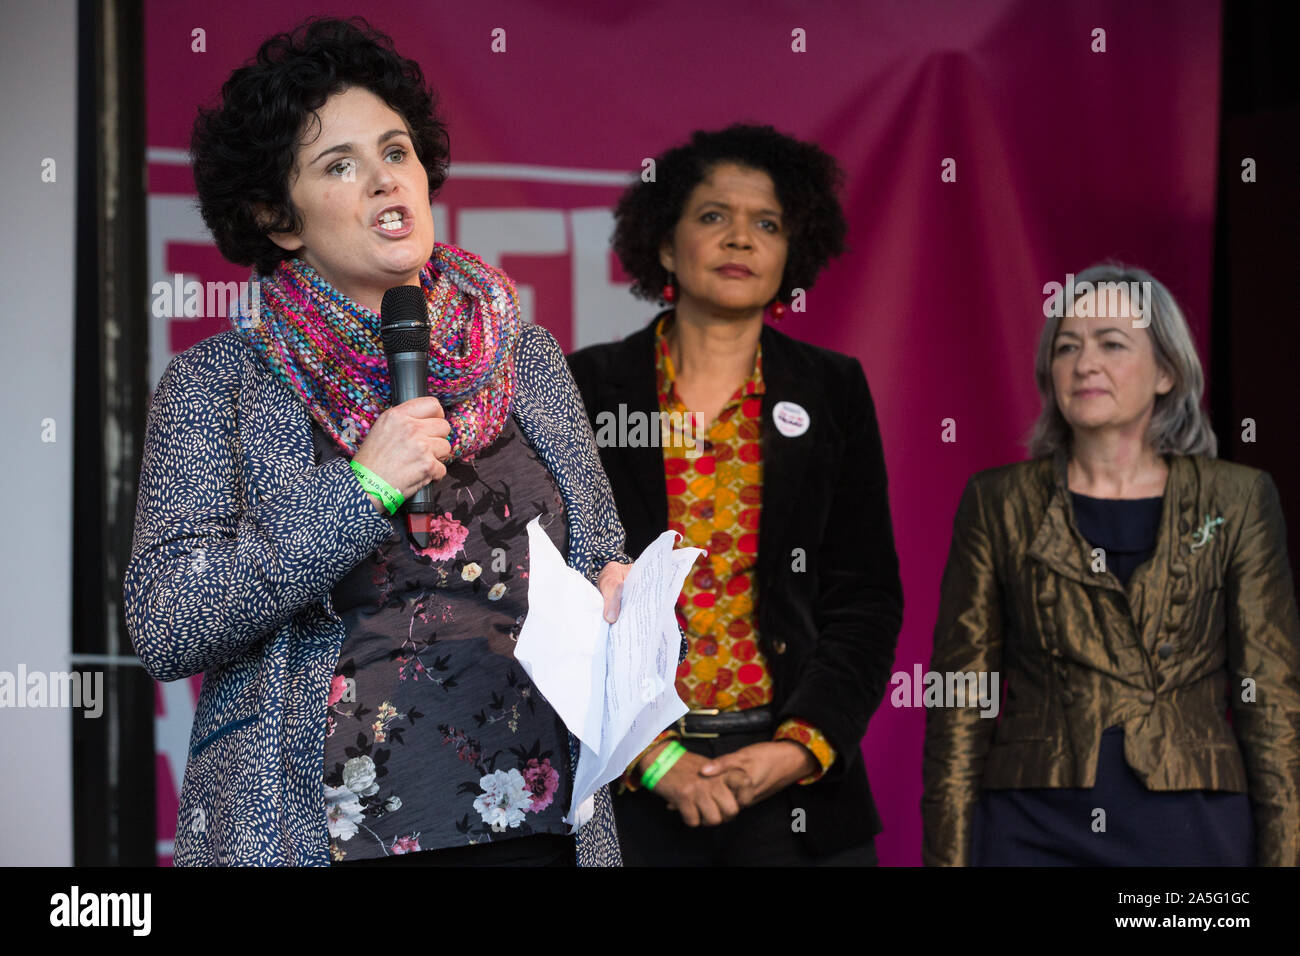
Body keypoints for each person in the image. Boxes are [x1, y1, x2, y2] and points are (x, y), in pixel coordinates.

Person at [122, 16, 632, 867]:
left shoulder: (522, 354)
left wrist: (617, 590)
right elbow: (169, 623)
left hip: (542, 826)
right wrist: (360, 489)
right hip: (324, 838)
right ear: (277, 218)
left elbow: (600, 551)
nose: (385, 180)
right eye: (340, 165)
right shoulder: (218, 384)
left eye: (396, 152)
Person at [566, 124, 903, 865]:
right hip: (629, 785)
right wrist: (651, 757)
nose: (741, 238)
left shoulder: (833, 390)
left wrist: (798, 748)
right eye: (714, 215)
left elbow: (865, 597)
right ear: (664, 245)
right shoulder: (587, 386)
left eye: (768, 224)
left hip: (792, 783)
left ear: (791, 257)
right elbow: (559, 594)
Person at [922, 262, 1300, 866]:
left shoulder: (1239, 498)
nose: (1084, 364)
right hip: (1032, 824)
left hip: (1193, 825)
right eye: (1066, 347)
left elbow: (1272, 702)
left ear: (1167, 372)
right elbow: (960, 697)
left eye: (1112, 344)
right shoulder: (997, 501)